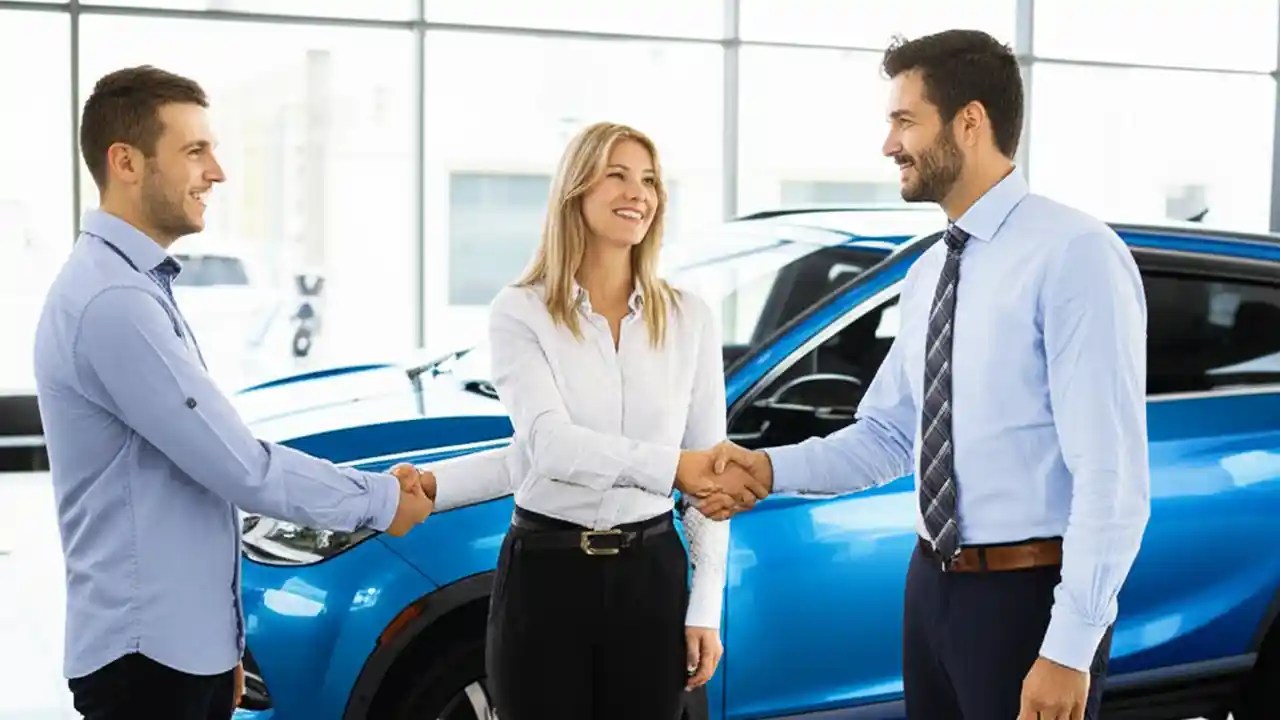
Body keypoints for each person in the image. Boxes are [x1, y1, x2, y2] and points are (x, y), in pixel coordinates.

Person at [700, 30, 1150, 720]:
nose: (889, 145)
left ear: (969, 122)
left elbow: (1111, 475)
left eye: (904, 120)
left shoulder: (1075, 255)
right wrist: (765, 470)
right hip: (932, 588)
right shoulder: (928, 272)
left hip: (1027, 597)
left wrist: (1070, 647)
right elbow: (887, 437)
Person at [32, 65, 435, 720]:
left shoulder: (128, 286)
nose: (216, 172)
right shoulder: (115, 302)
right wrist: (382, 499)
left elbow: (186, 487)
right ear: (126, 162)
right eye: (195, 150)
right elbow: (241, 468)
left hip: (168, 657)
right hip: (147, 666)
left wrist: (221, 650)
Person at [400, 121, 765, 720]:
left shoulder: (688, 318)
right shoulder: (522, 312)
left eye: (649, 180)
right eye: (617, 175)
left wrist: (704, 607)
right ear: (576, 191)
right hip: (548, 574)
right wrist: (675, 467)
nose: (639, 193)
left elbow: (712, 475)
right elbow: (547, 447)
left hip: (651, 574)